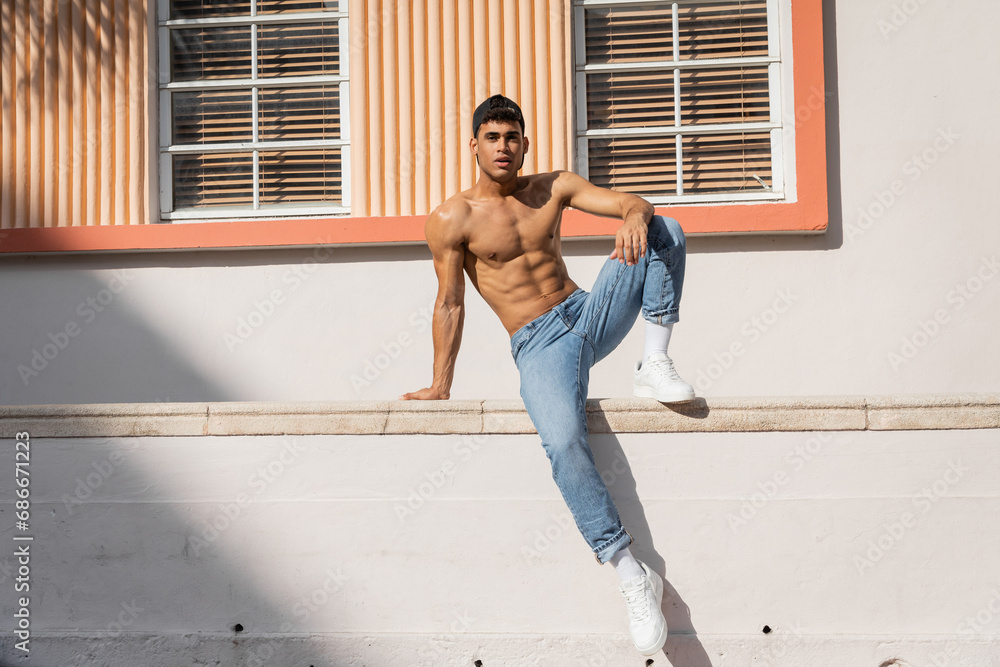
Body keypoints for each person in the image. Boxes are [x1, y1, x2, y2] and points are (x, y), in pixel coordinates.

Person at [399, 94, 694, 656]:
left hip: (586, 310)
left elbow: (631, 201)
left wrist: (635, 212)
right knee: (561, 441)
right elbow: (450, 302)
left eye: (512, 137)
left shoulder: (553, 187)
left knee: (665, 227)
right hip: (539, 343)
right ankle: (631, 572)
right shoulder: (452, 218)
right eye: (492, 137)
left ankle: (654, 361)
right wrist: (441, 383)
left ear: (525, 143)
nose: (503, 147)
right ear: (474, 145)